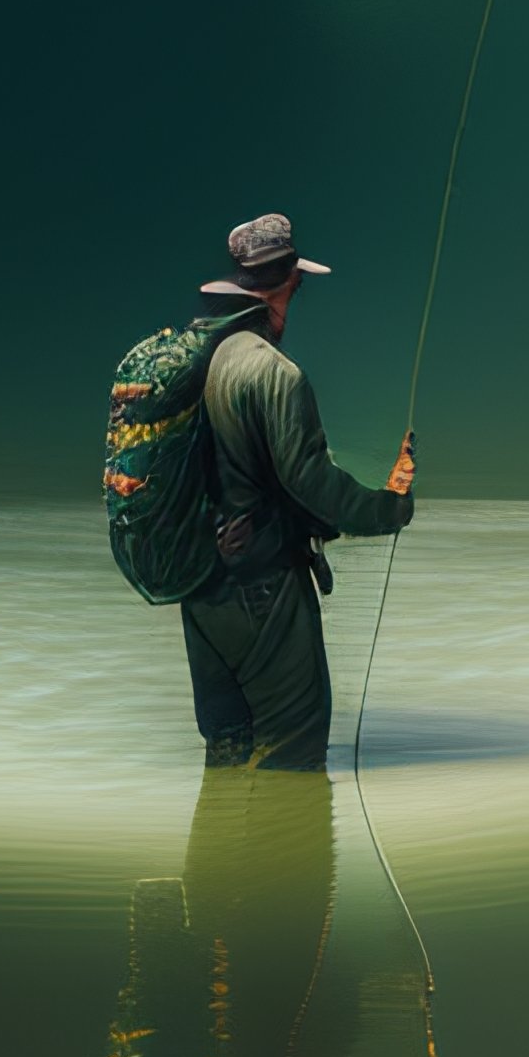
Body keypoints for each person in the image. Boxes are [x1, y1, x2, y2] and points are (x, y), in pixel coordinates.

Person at [181, 211, 415, 772]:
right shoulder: (275, 374)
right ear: (292, 281)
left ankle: (217, 861)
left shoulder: (203, 359)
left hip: (202, 584)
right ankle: (287, 861)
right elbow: (310, 484)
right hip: (264, 588)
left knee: (228, 753)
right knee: (292, 755)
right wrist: (391, 506)